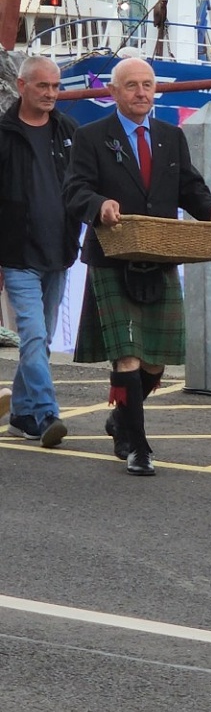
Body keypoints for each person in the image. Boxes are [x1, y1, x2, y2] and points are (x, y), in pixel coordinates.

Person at [63, 57, 211, 477]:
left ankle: (122, 417)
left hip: (158, 256)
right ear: (114, 92)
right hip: (112, 256)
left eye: (147, 85)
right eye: (132, 85)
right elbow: (74, 190)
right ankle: (137, 446)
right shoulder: (90, 137)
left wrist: (210, 209)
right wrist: (98, 205)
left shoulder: (170, 136)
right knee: (128, 357)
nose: (142, 92)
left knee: (156, 360)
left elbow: (189, 186)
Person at [0, 56, 80, 447]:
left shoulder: (68, 130)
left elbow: (84, 184)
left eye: (56, 87)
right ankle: (48, 412)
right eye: (43, 86)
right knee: (31, 335)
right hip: (17, 256)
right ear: (22, 86)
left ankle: (20, 415)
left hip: (58, 253)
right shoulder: (4, 133)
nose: (51, 94)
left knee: (41, 338)